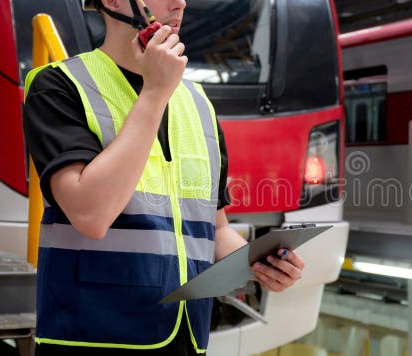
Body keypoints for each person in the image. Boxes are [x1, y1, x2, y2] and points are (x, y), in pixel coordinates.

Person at [22, 0, 306, 354]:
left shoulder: (199, 103)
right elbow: (89, 215)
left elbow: (215, 230)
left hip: (185, 338)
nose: (180, 3)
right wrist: (154, 92)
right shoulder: (58, 86)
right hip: (91, 336)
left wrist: (259, 264)